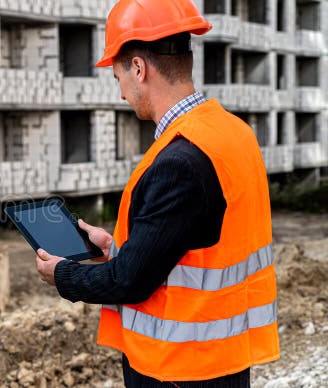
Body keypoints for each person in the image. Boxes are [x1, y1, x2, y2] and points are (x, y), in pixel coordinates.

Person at [35, 0, 279, 386]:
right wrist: (114, 249)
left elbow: (130, 281)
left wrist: (63, 275)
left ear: (138, 68)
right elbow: (190, 243)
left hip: (179, 367)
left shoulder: (180, 159)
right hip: (222, 360)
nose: (121, 95)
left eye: (118, 80)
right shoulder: (233, 133)